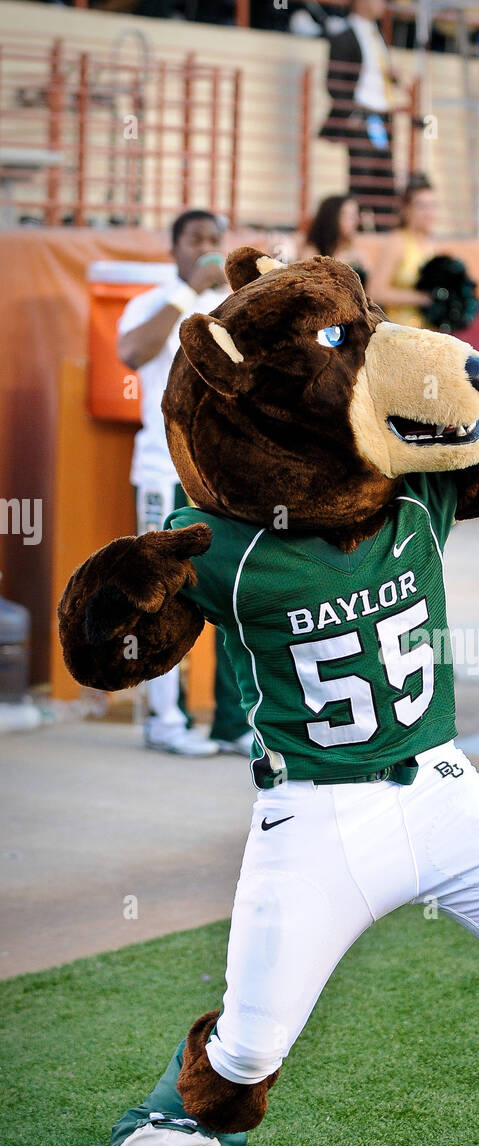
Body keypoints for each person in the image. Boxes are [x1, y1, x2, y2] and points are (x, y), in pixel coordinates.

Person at [117, 209, 250, 758]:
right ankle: (164, 720)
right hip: (161, 471)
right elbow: (130, 354)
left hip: (221, 479)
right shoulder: (153, 301)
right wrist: (184, 292)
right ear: (173, 248)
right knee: (161, 595)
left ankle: (233, 723)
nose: (209, 250)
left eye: (216, 241)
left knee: (232, 595)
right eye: (197, 240)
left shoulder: (231, 311)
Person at [318, 0, 399, 231]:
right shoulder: (344, 35)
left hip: (381, 118)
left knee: (385, 178)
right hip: (361, 115)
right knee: (362, 177)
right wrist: (351, 113)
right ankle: (360, 229)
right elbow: (334, 81)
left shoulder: (377, 34)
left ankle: (384, 231)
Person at [366, 178, 437, 327]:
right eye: (422, 206)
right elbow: (375, 291)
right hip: (401, 332)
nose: (429, 213)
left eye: (432, 206)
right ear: (406, 209)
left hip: (428, 333)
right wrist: (422, 298)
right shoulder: (397, 241)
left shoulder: (430, 244)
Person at [297, 193, 370, 285]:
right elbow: (309, 286)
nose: (355, 220)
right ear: (332, 218)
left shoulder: (354, 250)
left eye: (356, 215)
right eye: (349, 216)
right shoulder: (311, 250)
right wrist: (338, 263)